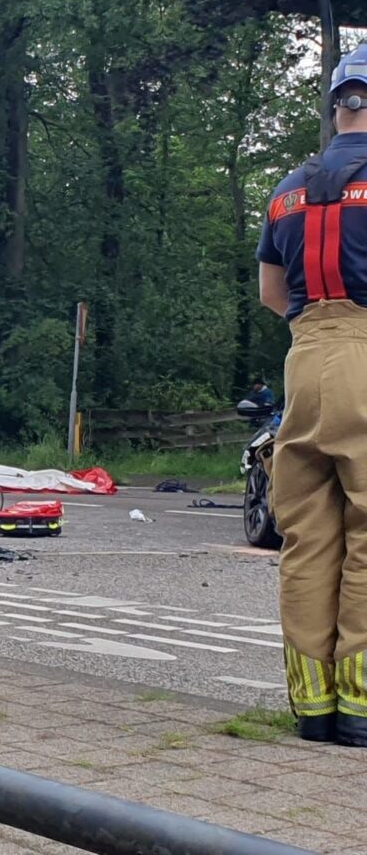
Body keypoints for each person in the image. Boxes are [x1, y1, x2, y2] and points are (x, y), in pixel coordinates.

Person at [254, 43, 367, 748]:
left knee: (308, 536)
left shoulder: (288, 187)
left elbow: (272, 293)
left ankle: (313, 706)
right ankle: (361, 709)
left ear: (335, 105)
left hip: (305, 357)